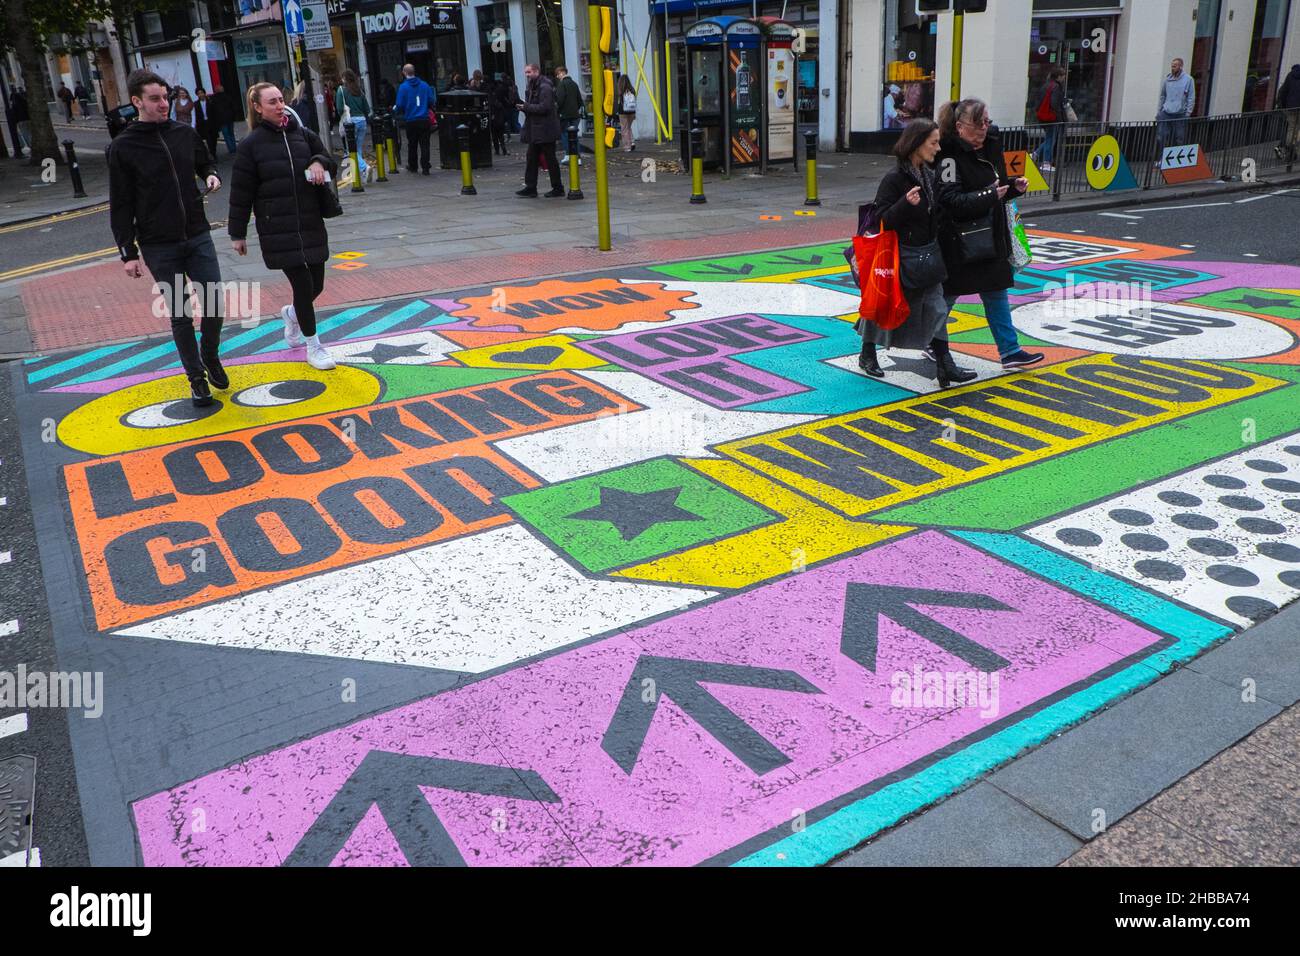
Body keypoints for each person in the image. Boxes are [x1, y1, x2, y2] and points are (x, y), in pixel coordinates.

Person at [107, 69, 226, 408]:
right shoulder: (123, 147)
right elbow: (121, 203)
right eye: (155, 99)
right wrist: (127, 252)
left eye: (166, 98)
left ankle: (210, 355)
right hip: (159, 244)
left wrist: (211, 175)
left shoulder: (183, 133)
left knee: (214, 302)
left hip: (197, 234)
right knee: (181, 313)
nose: (163, 104)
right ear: (137, 101)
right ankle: (197, 380)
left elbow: (206, 161)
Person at [227, 82, 338, 371]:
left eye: (281, 100)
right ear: (257, 107)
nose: (280, 106)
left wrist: (317, 162)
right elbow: (241, 193)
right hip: (277, 227)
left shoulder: (302, 134)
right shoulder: (251, 146)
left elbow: (330, 159)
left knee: (317, 285)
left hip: (310, 221)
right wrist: (237, 233)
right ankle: (314, 346)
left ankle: (290, 314)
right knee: (303, 286)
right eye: (272, 102)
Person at [858, 119, 973, 389]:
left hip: (927, 255)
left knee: (936, 307)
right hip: (900, 257)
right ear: (916, 144)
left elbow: (936, 212)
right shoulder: (894, 179)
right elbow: (881, 219)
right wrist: (904, 205)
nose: (938, 147)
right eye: (933, 142)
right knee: (883, 306)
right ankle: (867, 353)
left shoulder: (929, 175)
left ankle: (945, 365)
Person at [934, 97, 1044, 372]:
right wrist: (988, 195)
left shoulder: (991, 147)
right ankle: (931, 342)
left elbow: (996, 188)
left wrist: (1014, 188)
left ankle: (1010, 351)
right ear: (960, 126)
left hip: (990, 237)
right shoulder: (948, 156)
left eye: (988, 122)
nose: (984, 128)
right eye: (978, 123)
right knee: (947, 297)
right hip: (959, 240)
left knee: (996, 291)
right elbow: (949, 200)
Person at [516, 63, 564, 197]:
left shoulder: (545, 86)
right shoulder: (533, 85)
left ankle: (557, 187)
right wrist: (525, 107)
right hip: (537, 130)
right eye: (526, 72)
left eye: (529, 72)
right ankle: (531, 187)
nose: (527, 75)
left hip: (545, 129)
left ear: (536, 71)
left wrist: (526, 107)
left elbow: (545, 107)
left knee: (550, 159)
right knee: (531, 157)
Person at [396, 63, 434, 174]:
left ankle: (413, 166)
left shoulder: (403, 87)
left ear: (404, 73)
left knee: (412, 144)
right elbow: (431, 101)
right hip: (424, 119)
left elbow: (399, 105)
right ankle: (425, 167)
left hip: (411, 120)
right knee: (425, 144)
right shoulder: (425, 85)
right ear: (414, 72)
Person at [335, 69, 372, 181]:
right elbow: (367, 108)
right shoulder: (359, 90)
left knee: (351, 149)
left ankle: (364, 167)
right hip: (362, 121)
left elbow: (340, 108)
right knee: (358, 148)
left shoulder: (341, 90)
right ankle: (363, 174)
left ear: (344, 79)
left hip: (351, 122)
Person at [1156, 57, 1195, 157]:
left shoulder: (1188, 80)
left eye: (1175, 66)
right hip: (1166, 112)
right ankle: (1162, 159)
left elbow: (1191, 97)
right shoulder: (1167, 80)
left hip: (1180, 113)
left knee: (1179, 138)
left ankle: (1177, 162)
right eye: (1172, 66)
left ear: (1181, 67)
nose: (1172, 68)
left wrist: (1188, 113)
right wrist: (1160, 111)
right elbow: (1162, 96)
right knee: (1161, 137)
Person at [1029, 67, 1065, 172]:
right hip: (1052, 118)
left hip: (1043, 117)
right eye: (1063, 76)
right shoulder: (1056, 87)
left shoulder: (1046, 85)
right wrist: (1059, 115)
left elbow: (1038, 101)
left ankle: (1035, 154)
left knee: (1049, 138)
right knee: (1051, 139)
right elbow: (1054, 103)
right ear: (1058, 76)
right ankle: (1046, 163)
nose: (1064, 78)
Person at [554, 65, 583, 162]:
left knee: (565, 135)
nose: (557, 77)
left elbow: (559, 100)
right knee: (574, 136)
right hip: (575, 115)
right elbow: (579, 100)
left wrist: (557, 111)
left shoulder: (562, 85)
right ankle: (577, 157)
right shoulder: (574, 84)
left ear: (562, 73)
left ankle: (568, 155)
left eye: (558, 74)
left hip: (565, 115)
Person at [1275, 63, 1300, 159]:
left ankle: (1288, 147)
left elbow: (1284, 91)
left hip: (1290, 107)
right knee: (1297, 129)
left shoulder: (1290, 75)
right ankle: (1291, 150)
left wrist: (1284, 105)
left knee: (1291, 128)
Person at [492, 75, 517, 155]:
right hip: (501, 117)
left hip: (494, 119)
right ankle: (504, 149)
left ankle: (497, 150)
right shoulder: (506, 91)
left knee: (495, 135)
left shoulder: (492, 101)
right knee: (500, 135)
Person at [193, 86, 219, 159]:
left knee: (214, 139)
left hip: (212, 123)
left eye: (201, 93)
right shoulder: (196, 104)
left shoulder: (210, 101)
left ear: (204, 93)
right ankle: (213, 155)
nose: (200, 95)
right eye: (198, 93)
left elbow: (215, 113)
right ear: (197, 95)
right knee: (209, 140)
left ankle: (213, 151)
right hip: (203, 124)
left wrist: (217, 124)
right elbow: (196, 116)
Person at [616, 74, 637, 152]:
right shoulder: (632, 90)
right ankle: (632, 142)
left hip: (623, 112)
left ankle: (627, 146)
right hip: (632, 112)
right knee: (628, 127)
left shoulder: (621, 90)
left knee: (624, 129)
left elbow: (619, 103)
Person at [8, 88, 30, 156]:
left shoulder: (15, 104)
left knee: (25, 133)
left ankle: (25, 145)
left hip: (21, 120)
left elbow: (14, 113)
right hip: (27, 119)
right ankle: (27, 145)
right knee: (27, 133)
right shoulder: (23, 101)